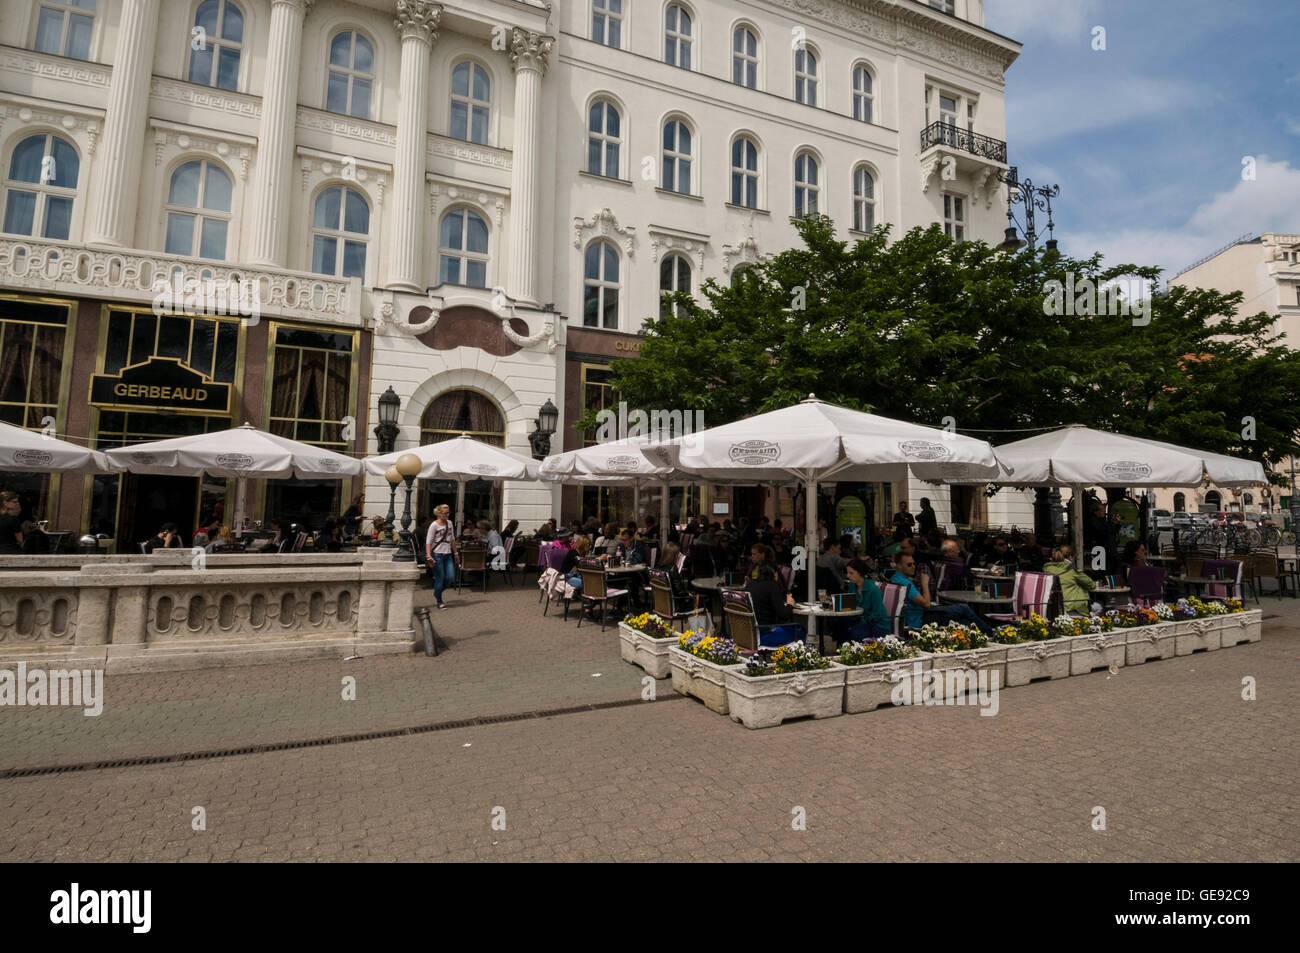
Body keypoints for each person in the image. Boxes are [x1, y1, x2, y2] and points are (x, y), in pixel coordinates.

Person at [888, 551, 993, 636]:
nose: (913, 567)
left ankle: (987, 633)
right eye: (909, 564)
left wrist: (917, 583)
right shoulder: (905, 583)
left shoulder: (895, 577)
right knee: (964, 608)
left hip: (917, 615)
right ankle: (991, 633)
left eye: (914, 564)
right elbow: (926, 604)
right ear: (898, 566)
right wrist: (925, 584)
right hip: (919, 620)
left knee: (964, 620)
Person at [744, 563, 802, 643]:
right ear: (775, 574)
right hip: (765, 633)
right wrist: (790, 604)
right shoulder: (772, 585)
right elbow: (784, 615)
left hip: (750, 632)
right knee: (801, 632)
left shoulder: (750, 584)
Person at [841, 557, 891, 643]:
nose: (847, 576)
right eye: (847, 572)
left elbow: (877, 613)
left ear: (860, 573)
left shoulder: (873, 590)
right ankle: (844, 650)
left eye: (851, 573)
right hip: (860, 620)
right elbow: (849, 605)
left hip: (877, 625)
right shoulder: (852, 586)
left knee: (854, 633)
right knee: (839, 627)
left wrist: (861, 620)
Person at [425, 503, 459, 610]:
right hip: (437, 555)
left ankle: (437, 592)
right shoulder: (434, 525)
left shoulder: (449, 523)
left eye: (448, 512)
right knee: (440, 578)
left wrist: (456, 553)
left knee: (450, 578)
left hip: (448, 555)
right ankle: (439, 601)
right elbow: (428, 542)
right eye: (445, 513)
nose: (447, 515)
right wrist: (429, 556)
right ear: (439, 514)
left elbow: (452, 539)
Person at [1044, 544, 1096, 614]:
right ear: (1071, 557)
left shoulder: (1047, 568)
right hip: (1071, 606)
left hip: (1052, 606)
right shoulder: (1072, 570)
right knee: (1099, 606)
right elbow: (1091, 585)